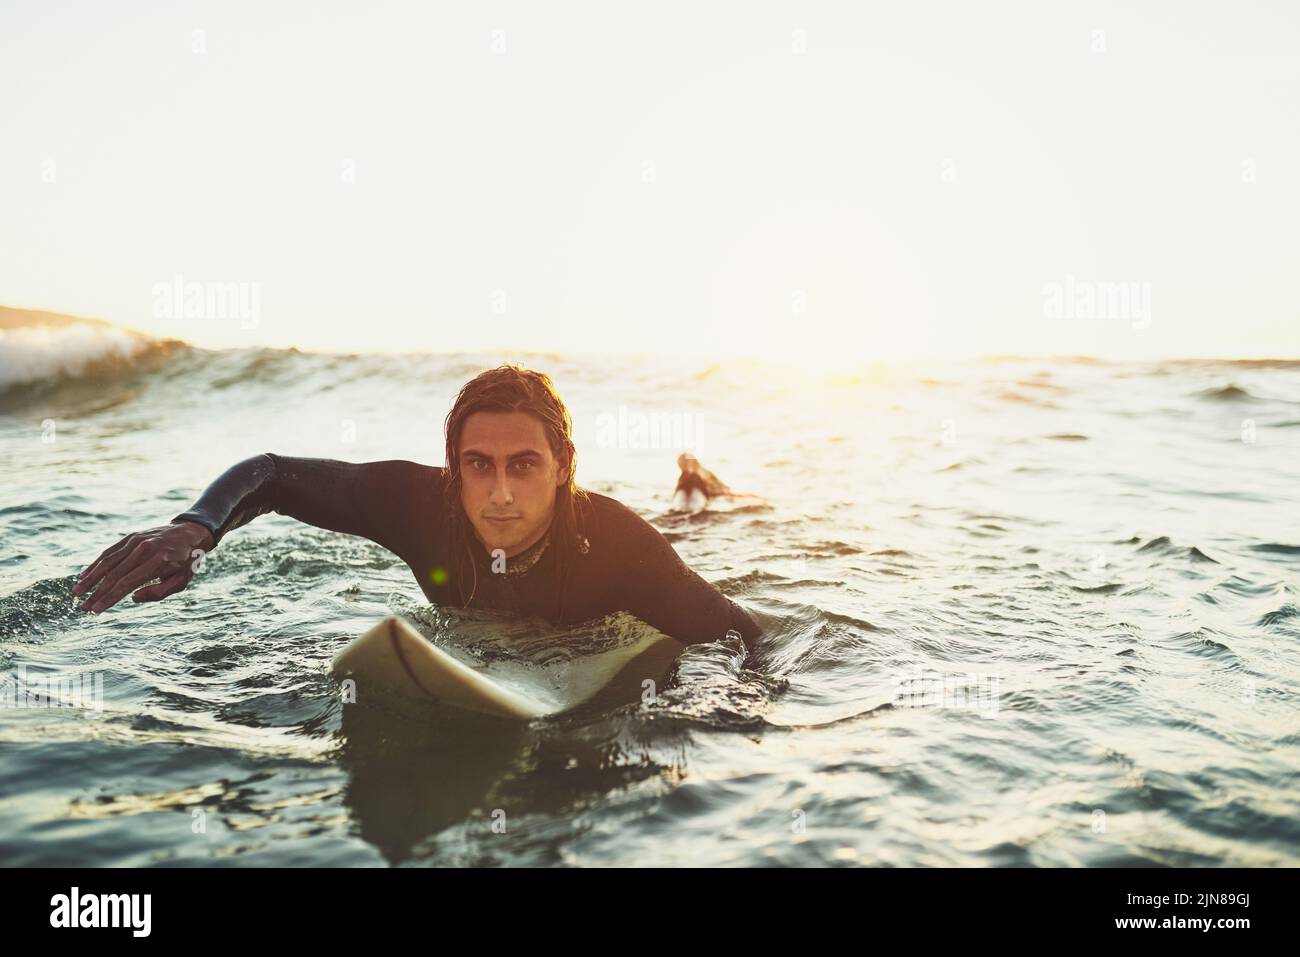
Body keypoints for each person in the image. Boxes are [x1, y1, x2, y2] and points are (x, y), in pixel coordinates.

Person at [72, 365, 762, 651]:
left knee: (688, 514)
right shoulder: (420, 505)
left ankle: (696, 483)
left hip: (645, 548)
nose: (497, 492)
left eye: (524, 465)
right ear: (452, 467)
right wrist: (197, 527)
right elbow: (272, 475)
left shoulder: (618, 546)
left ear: (563, 469)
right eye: (477, 464)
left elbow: (745, 634)